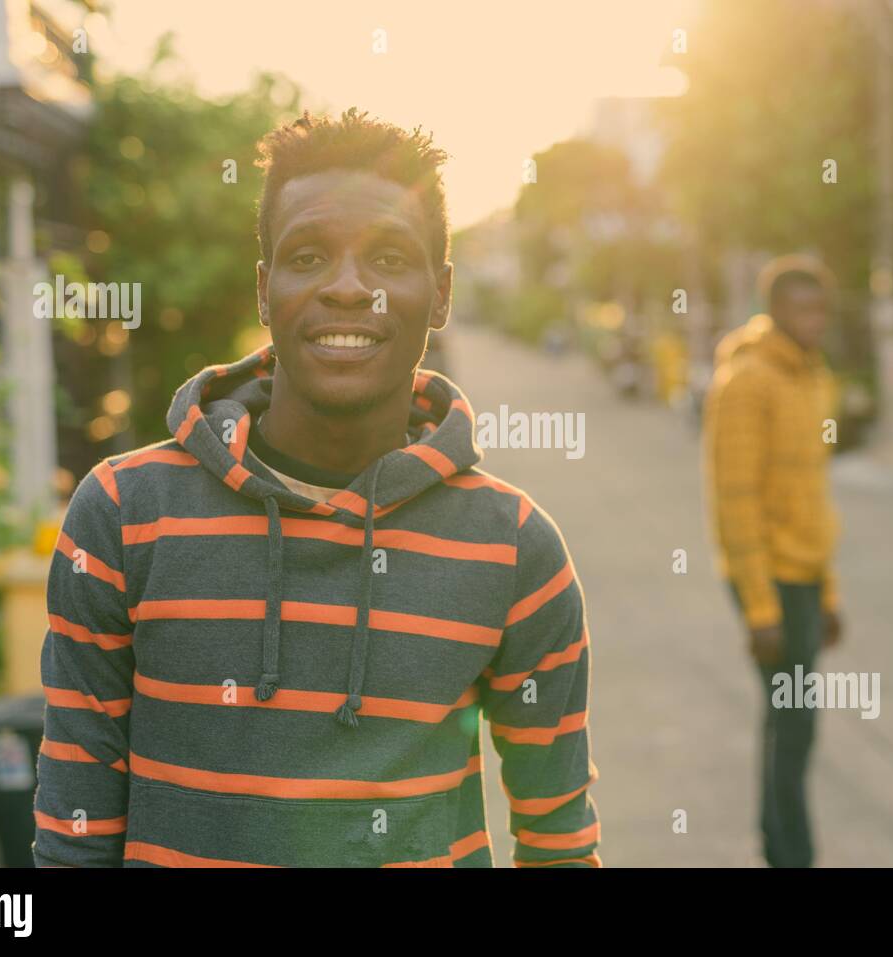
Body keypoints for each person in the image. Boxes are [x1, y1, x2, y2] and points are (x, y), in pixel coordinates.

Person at [32, 108, 601, 868]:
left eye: (390, 258)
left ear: (441, 295)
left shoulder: (515, 549)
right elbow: (74, 840)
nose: (347, 288)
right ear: (267, 291)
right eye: (308, 255)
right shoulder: (122, 518)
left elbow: (559, 844)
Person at [702, 254, 843, 868]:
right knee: (793, 723)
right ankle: (791, 856)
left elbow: (811, 496)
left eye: (819, 308)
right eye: (800, 308)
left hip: (806, 576)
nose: (813, 319)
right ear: (775, 311)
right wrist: (760, 608)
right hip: (769, 583)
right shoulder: (747, 382)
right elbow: (735, 503)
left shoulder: (814, 378)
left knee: (792, 724)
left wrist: (829, 593)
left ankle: (780, 847)